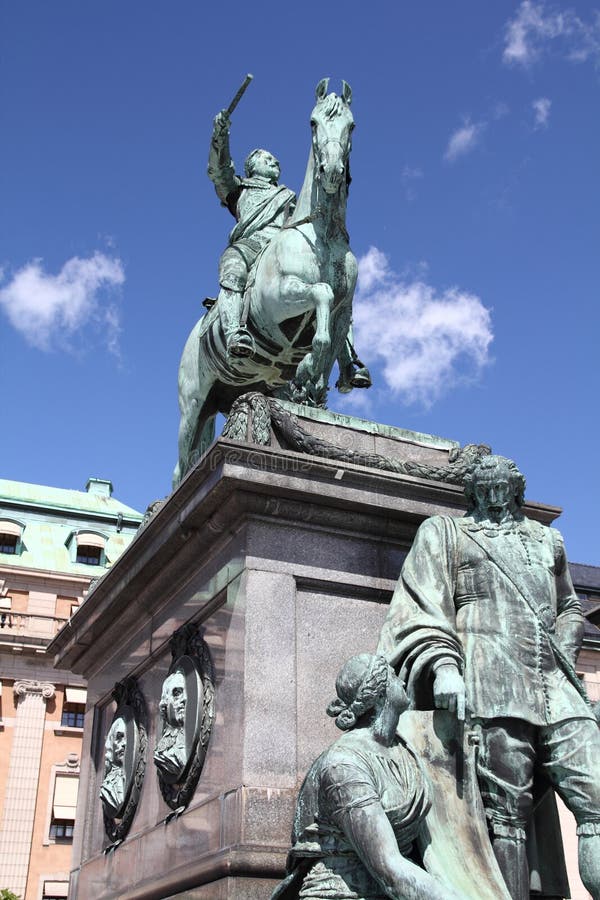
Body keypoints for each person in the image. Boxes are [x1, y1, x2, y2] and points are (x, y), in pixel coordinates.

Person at [377, 454, 600, 900]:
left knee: (595, 796)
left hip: (555, 684)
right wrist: (444, 666)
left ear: (517, 489)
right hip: (492, 684)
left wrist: (567, 641)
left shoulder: (546, 539)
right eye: (485, 489)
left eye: (503, 489)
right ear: (473, 492)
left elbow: (571, 606)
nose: (495, 498)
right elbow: (422, 605)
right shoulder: (446, 533)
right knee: (507, 816)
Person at [272, 654, 467, 900]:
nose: (402, 681)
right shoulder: (344, 765)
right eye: (393, 676)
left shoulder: (405, 752)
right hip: (343, 894)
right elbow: (390, 870)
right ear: (380, 695)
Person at [207, 108, 296, 359]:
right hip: (251, 245)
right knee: (232, 266)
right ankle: (235, 332)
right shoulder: (239, 189)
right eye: (267, 159)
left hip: (286, 247)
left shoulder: (288, 197)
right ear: (251, 167)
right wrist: (220, 136)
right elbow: (218, 170)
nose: (275, 162)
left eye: (275, 160)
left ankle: (345, 353)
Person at [154, 670, 188, 783]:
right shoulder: (163, 754)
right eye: (177, 693)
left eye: (186, 693)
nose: (185, 699)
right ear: (165, 703)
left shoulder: (189, 739)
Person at [100, 717, 127, 816]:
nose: (124, 743)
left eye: (125, 738)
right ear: (111, 742)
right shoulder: (108, 787)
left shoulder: (126, 773)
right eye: (119, 737)